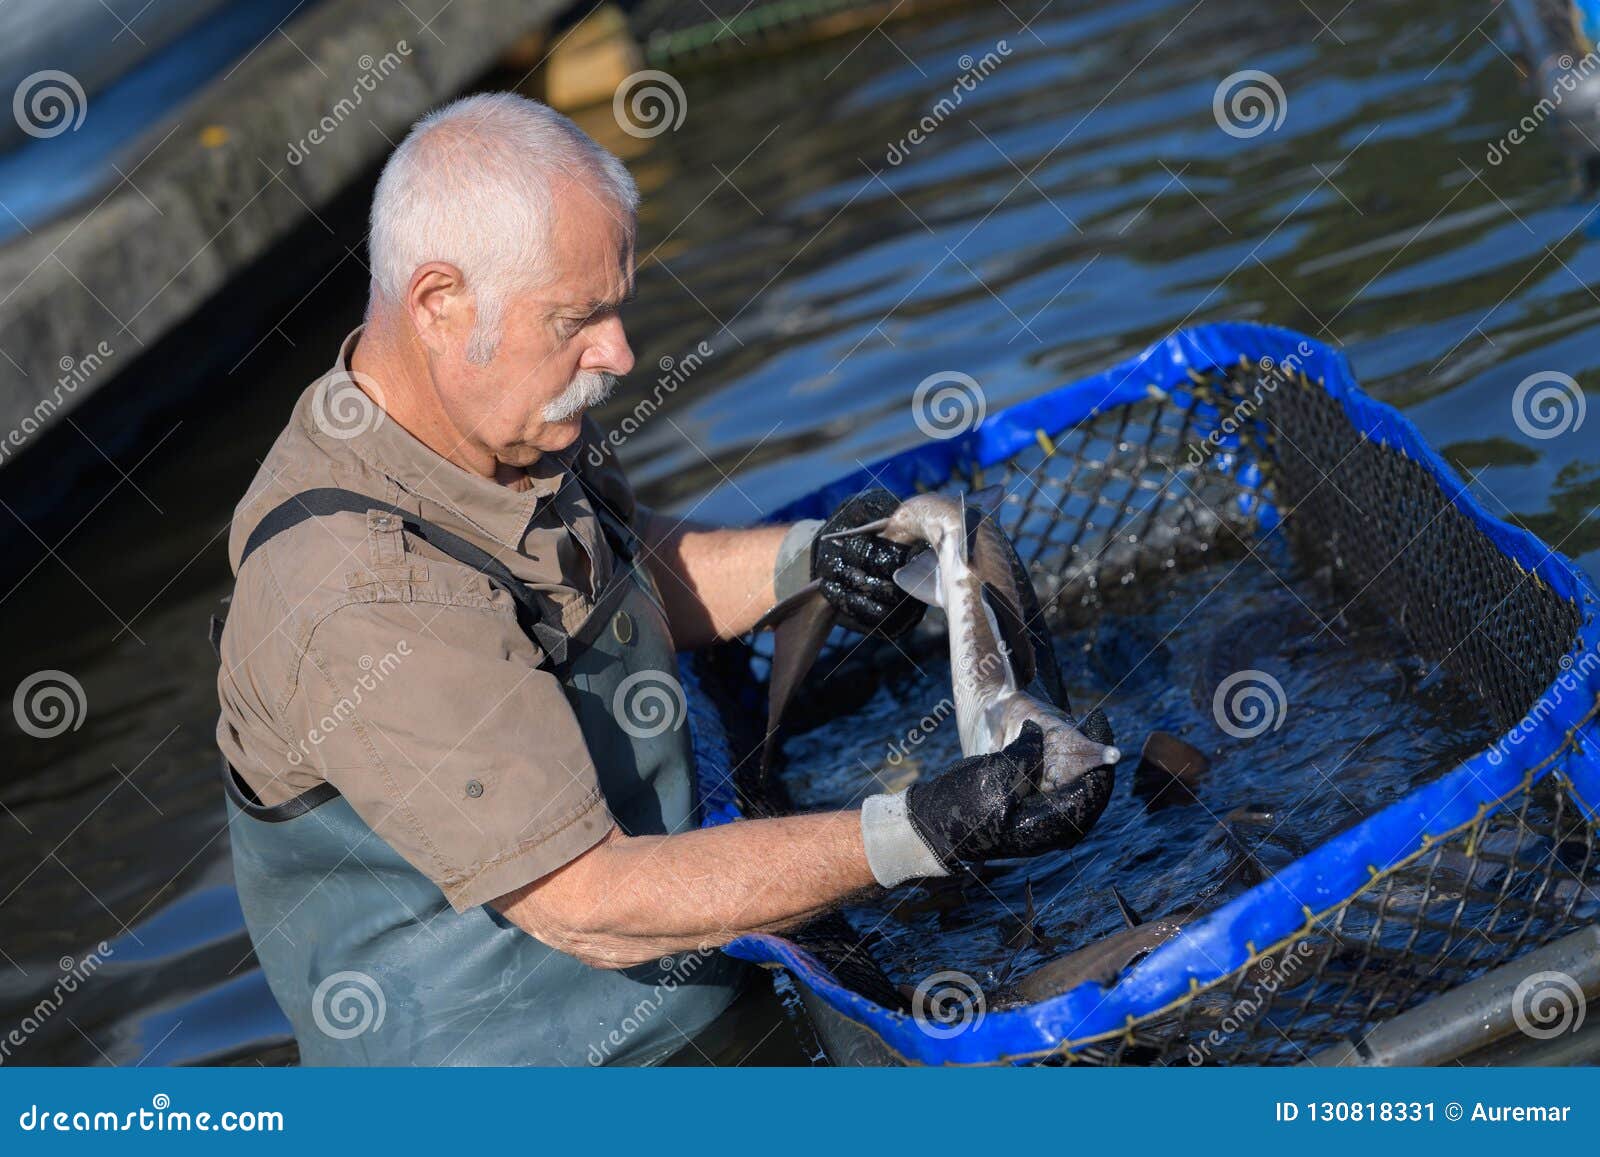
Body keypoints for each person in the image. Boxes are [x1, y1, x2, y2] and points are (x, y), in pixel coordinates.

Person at [214, 92, 1109, 1066]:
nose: (619, 354)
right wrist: (922, 827)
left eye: (614, 306)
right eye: (576, 319)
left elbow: (622, 568)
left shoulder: (499, 403)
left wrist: (811, 558)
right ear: (438, 304)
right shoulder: (356, 593)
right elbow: (590, 902)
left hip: (702, 984)